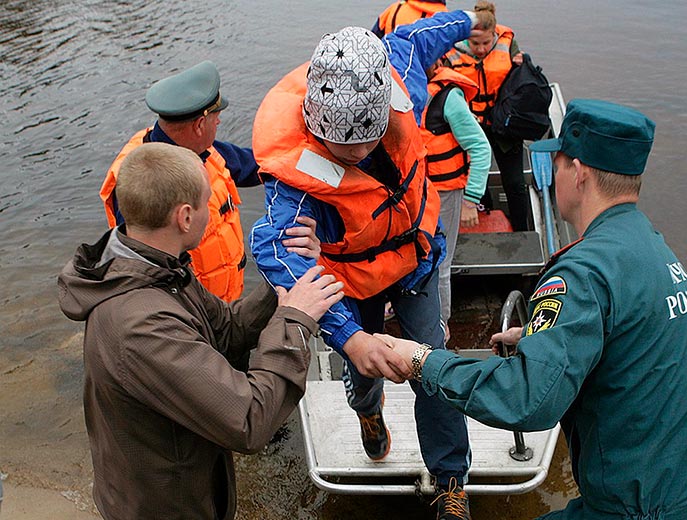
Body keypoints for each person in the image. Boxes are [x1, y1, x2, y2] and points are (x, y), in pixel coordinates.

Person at [379, 99, 687, 519]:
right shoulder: (650, 244)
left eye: (558, 161)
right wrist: (541, 336)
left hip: (650, 510)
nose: (552, 172)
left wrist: (424, 361)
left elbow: (528, 400)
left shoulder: (584, 271)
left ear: (579, 173)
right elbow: (631, 338)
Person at [250, 14, 477, 519]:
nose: (355, 154)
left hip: (414, 262)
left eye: (366, 143)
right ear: (314, 121)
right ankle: (367, 411)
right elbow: (273, 248)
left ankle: (449, 480)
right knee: (364, 363)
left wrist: (469, 19)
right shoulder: (294, 179)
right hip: (353, 279)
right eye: (342, 147)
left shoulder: (400, 72)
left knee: (432, 362)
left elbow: (421, 34)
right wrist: (349, 336)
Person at [59, 143, 344, 520]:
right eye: (209, 204)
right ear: (185, 217)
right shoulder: (141, 329)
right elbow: (249, 420)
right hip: (162, 509)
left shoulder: (155, 267)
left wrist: (287, 281)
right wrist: (294, 321)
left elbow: (225, 331)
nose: (215, 215)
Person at [99, 60, 318, 302]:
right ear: (200, 124)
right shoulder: (140, 180)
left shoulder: (203, 149)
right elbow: (142, 266)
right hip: (190, 315)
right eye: (216, 117)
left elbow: (260, 163)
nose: (219, 122)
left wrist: (315, 154)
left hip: (225, 308)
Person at [443, 1, 529, 231]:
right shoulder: (450, 51)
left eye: (486, 42)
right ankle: (485, 221)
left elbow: (522, 82)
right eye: (475, 43)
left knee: (515, 183)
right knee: (475, 178)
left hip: (503, 123)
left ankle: (523, 231)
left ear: (494, 35)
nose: (481, 49)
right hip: (468, 124)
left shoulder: (508, 43)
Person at [421, 62, 491, 343]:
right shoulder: (407, 91)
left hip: (447, 193)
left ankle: (441, 324)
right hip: (417, 193)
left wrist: (471, 199)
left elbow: (480, 147)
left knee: (440, 262)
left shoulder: (448, 98)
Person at [371, 0, 448, 38]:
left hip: (391, 64)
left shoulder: (394, 9)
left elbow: (371, 41)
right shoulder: (447, 20)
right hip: (423, 67)